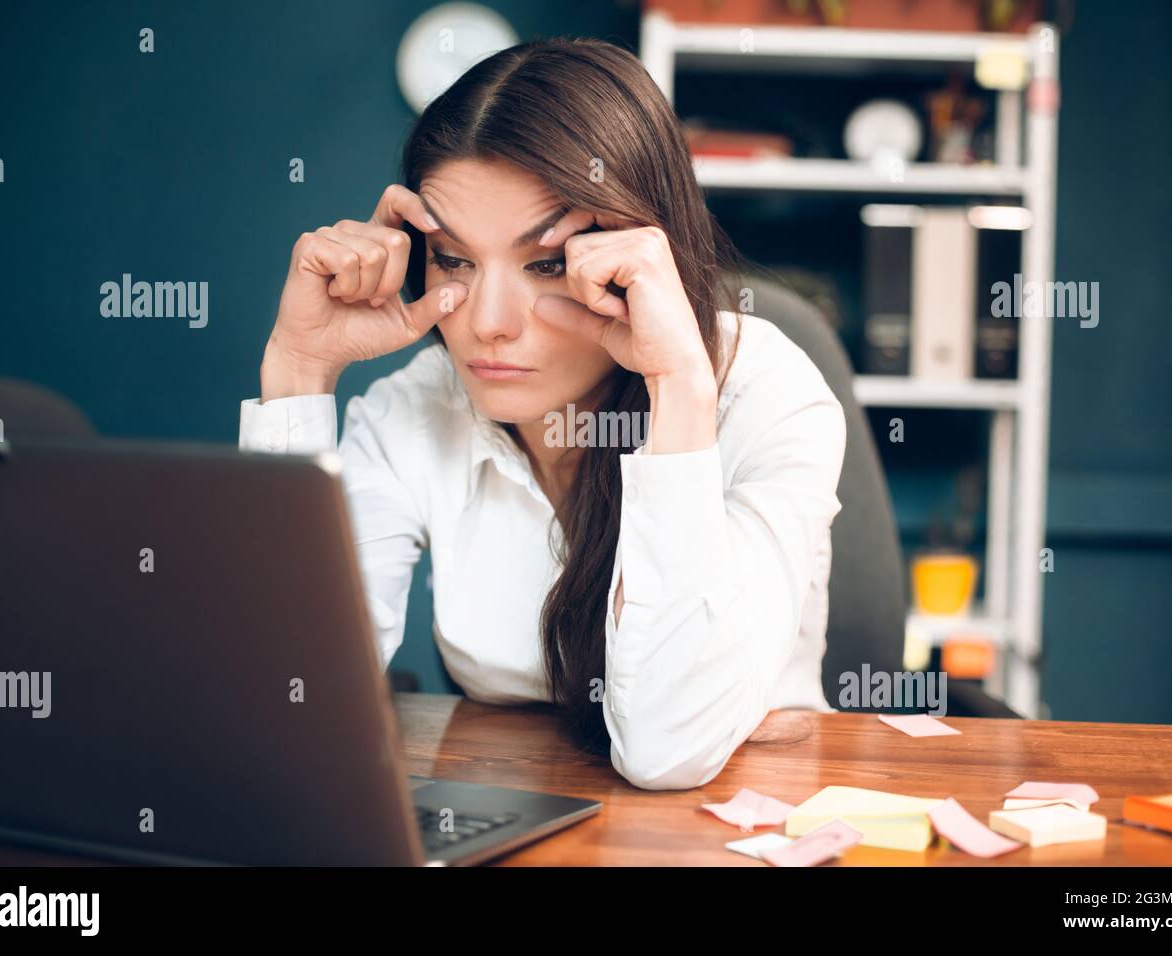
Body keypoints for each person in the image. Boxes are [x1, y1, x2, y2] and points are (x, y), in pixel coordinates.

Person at [238, 37, 846, 790]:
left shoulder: (761, 391)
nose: (488, 322)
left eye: (547, 263)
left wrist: (678, 389)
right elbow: (277, 708)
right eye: (456, 259)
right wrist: (299, 372)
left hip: (740, 819)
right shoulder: (419, 407)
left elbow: (667, 752)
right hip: (513, 811)